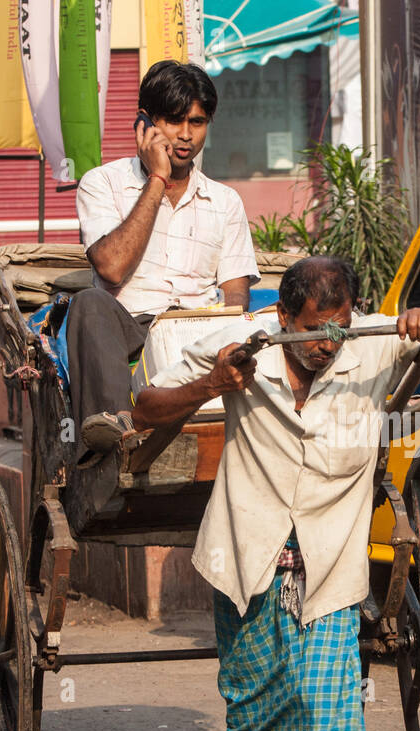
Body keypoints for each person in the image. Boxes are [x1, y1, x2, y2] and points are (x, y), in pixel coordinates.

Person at [132, 257, 420, 731]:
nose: (327, 343)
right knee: (250, 709)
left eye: (340, 325)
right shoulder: (242, 346)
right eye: (313, 329)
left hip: (330, 565)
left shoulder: (373, 347)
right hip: (246, 558)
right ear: (281, 317)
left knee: (332, 706)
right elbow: (145, 406)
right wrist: (212, 387)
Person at [70, 59, 258, 452]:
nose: (186, 135)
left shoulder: (226, 202)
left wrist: (231, 340)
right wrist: (157, 178)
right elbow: (111, 267)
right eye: (174, 121)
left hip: (200, 332)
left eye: (198, 122)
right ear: (145, 123)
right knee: (89, 303)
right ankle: (117, 432)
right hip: (130, 330)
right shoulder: (101, 183)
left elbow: (236, 298)